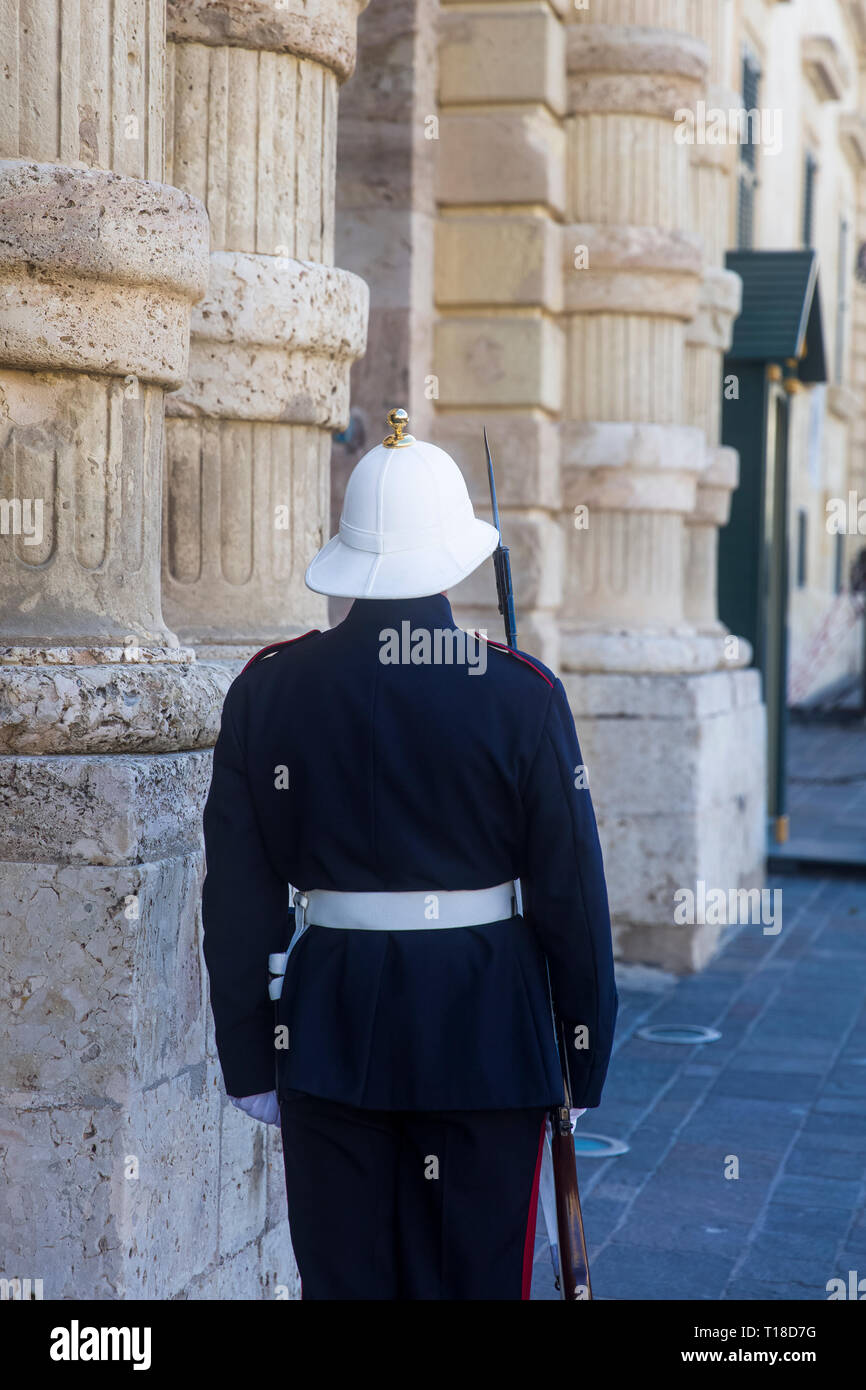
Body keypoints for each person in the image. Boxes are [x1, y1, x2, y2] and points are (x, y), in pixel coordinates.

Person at [201, 408, 618, 1299]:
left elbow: (236, 902)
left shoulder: (268, 691)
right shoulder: (521, 695)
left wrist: (249, 1056)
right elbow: (572, 900)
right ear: (454, 554)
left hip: (326, 1036)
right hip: (488, 1043)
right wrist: (582, 1054)